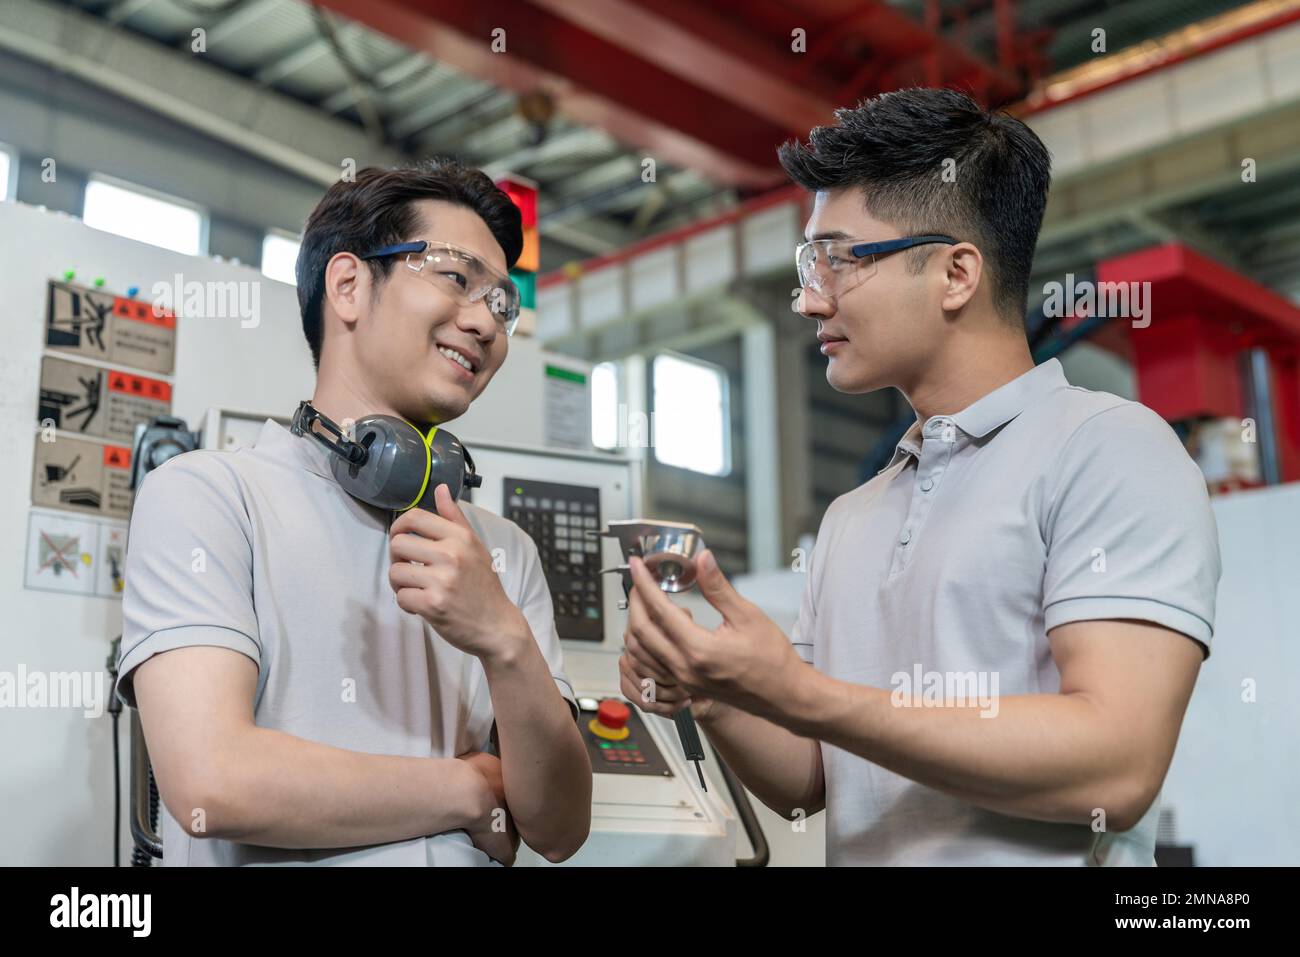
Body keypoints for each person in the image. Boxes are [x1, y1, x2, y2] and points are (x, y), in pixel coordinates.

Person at [619, 87, 1221, 866]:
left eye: (837, 258)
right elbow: (809, 775)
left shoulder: (1108, 450)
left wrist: (805, 694)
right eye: (810, 261)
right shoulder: (852, 515)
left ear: (956, 274)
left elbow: (1118, 762)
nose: (808, 299)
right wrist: (715, 687)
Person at [115, 160, 591, 866]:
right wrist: (469, 788)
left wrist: (506, 641)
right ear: (348, 286)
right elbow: (214, 780)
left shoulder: (503, 553)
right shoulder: (209, 497)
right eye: (457, 278)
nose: (486, 320)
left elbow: (558, 829)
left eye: (502, 302)